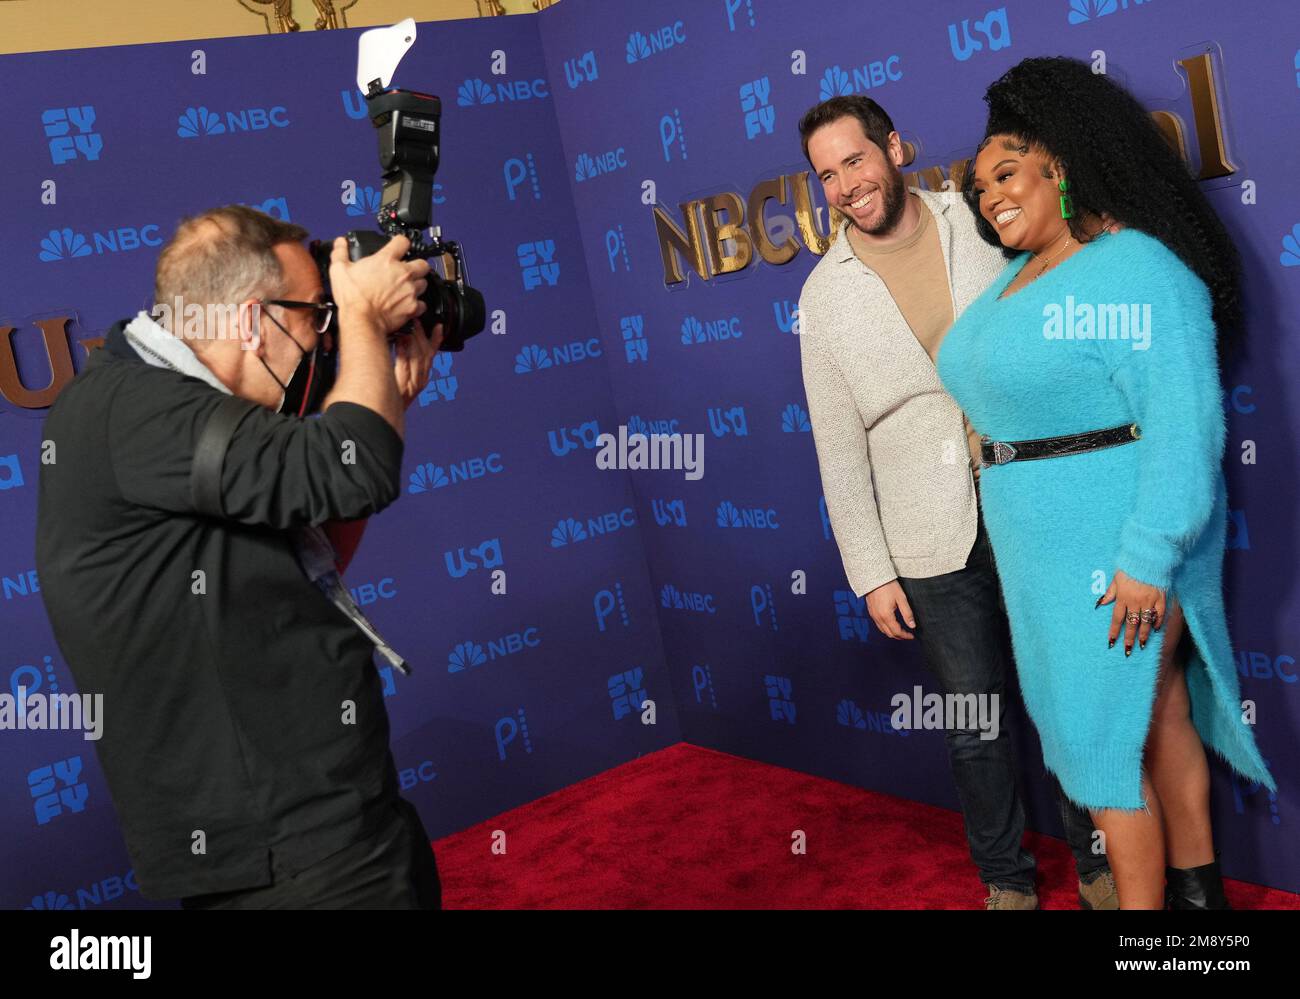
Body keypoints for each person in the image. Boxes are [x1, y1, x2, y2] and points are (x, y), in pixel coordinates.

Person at [938, 56, 1277, 909]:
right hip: (1038, 552)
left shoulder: (1139, 270)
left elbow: (1184, 428)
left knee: (1097, 743)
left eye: (1007, 173)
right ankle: (1201, 915)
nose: (991, 197)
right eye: (979, 188)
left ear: (1063, 165)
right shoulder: (1017, 280)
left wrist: (1146, 557)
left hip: (1112, 552)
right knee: (1155, 717)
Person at [35, 205, 445, 909]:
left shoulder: (173, 408)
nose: (326, 338)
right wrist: (367, 321)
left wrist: (388, 396)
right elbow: (351, 466)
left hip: (340, 823)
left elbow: (312, 553)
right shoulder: (132, 408)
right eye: (320, 313)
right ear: (255, 321)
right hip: (280, 865)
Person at [797, 96, 1115, 909]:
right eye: (827, 174)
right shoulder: (823, 296)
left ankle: (1102, 862)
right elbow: (836, 447)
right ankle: (1006, 880)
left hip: (1031, 500)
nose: (846, 185)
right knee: (978, 726)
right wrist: (871, 572)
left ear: (896, 147)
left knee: (1063, 694)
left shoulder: (976, 221)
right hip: (926, 538)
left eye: (856, 160)